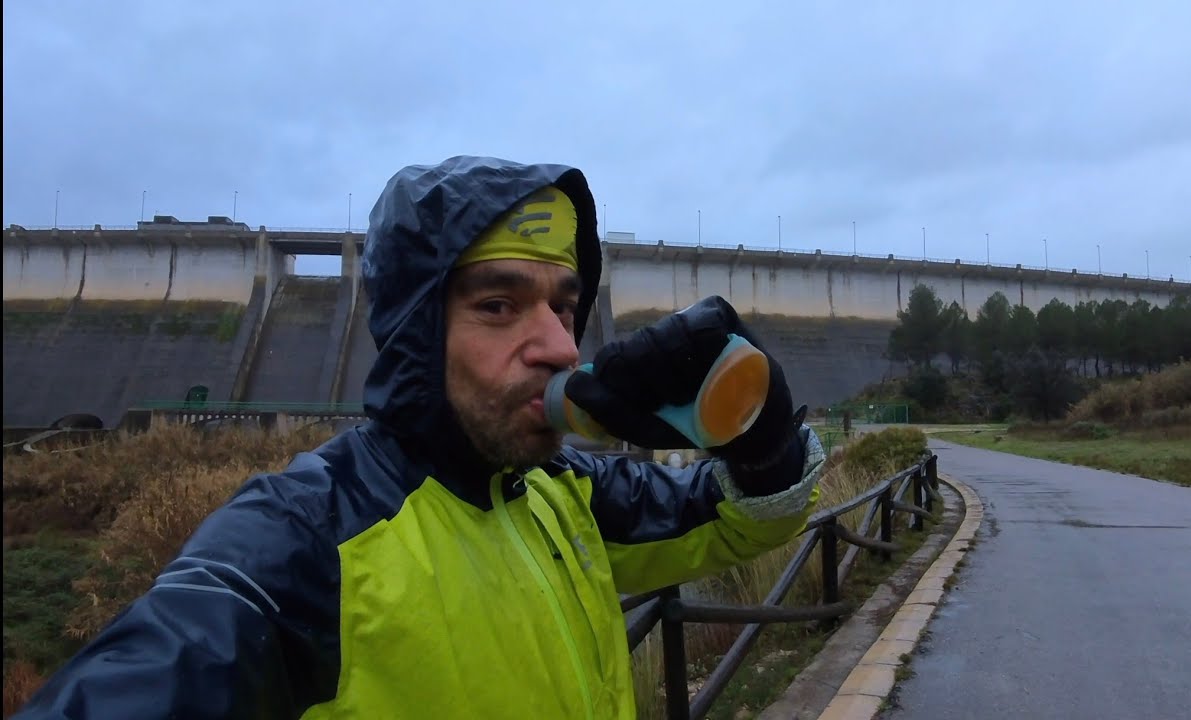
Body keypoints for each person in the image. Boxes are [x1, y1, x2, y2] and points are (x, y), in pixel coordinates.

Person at [15, 156, 826, 719]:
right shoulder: (307, 538)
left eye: (563, 307)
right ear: (411, 332)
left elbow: (735, 517)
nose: (559, 347)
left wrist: (759, 442)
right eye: (499, 307)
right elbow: (168, 665)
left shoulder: (560, 490)